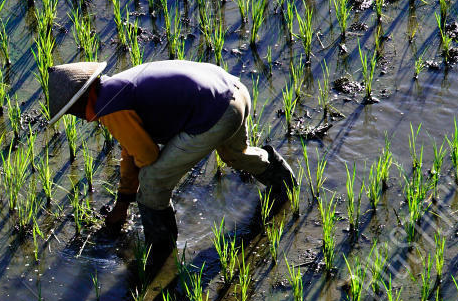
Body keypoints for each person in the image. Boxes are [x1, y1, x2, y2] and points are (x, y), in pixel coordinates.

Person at [47, 59, 295, 256]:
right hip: (234, 93)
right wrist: (123, 202)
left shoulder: (110, 106)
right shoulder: (118, 88)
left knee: (153, 181)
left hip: (216, 113)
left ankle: (161, 251)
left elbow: (145, 154)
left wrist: (133, 196)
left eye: (70, 111)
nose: (74, 116)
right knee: (235, 155)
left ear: (79, 100)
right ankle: (284, 181)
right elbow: (130, 148)